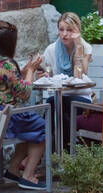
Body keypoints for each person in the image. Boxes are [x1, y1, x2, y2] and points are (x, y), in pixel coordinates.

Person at [0, 21, 49, 190]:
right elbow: (24, 93)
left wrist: (24, 71)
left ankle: (13, 170)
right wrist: (31, 71)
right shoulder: (6, 65)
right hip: (3, 121)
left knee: (30, 126)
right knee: (42, 127)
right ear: (9, 44)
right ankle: (28, 175)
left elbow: (4, 83)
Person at [34, 11, 93, 147]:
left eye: (69, 30)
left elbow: (78, 76)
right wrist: (43, 75)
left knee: (55, 105)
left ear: (77, 31)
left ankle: (52, 151)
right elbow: (49, 72)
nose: (65, 34)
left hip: (81, 96)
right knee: (55, 105)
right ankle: (65, 152)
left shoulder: (85, 48)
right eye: (61, 29)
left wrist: (78, 47)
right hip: (59, 95)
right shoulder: (51, 49)